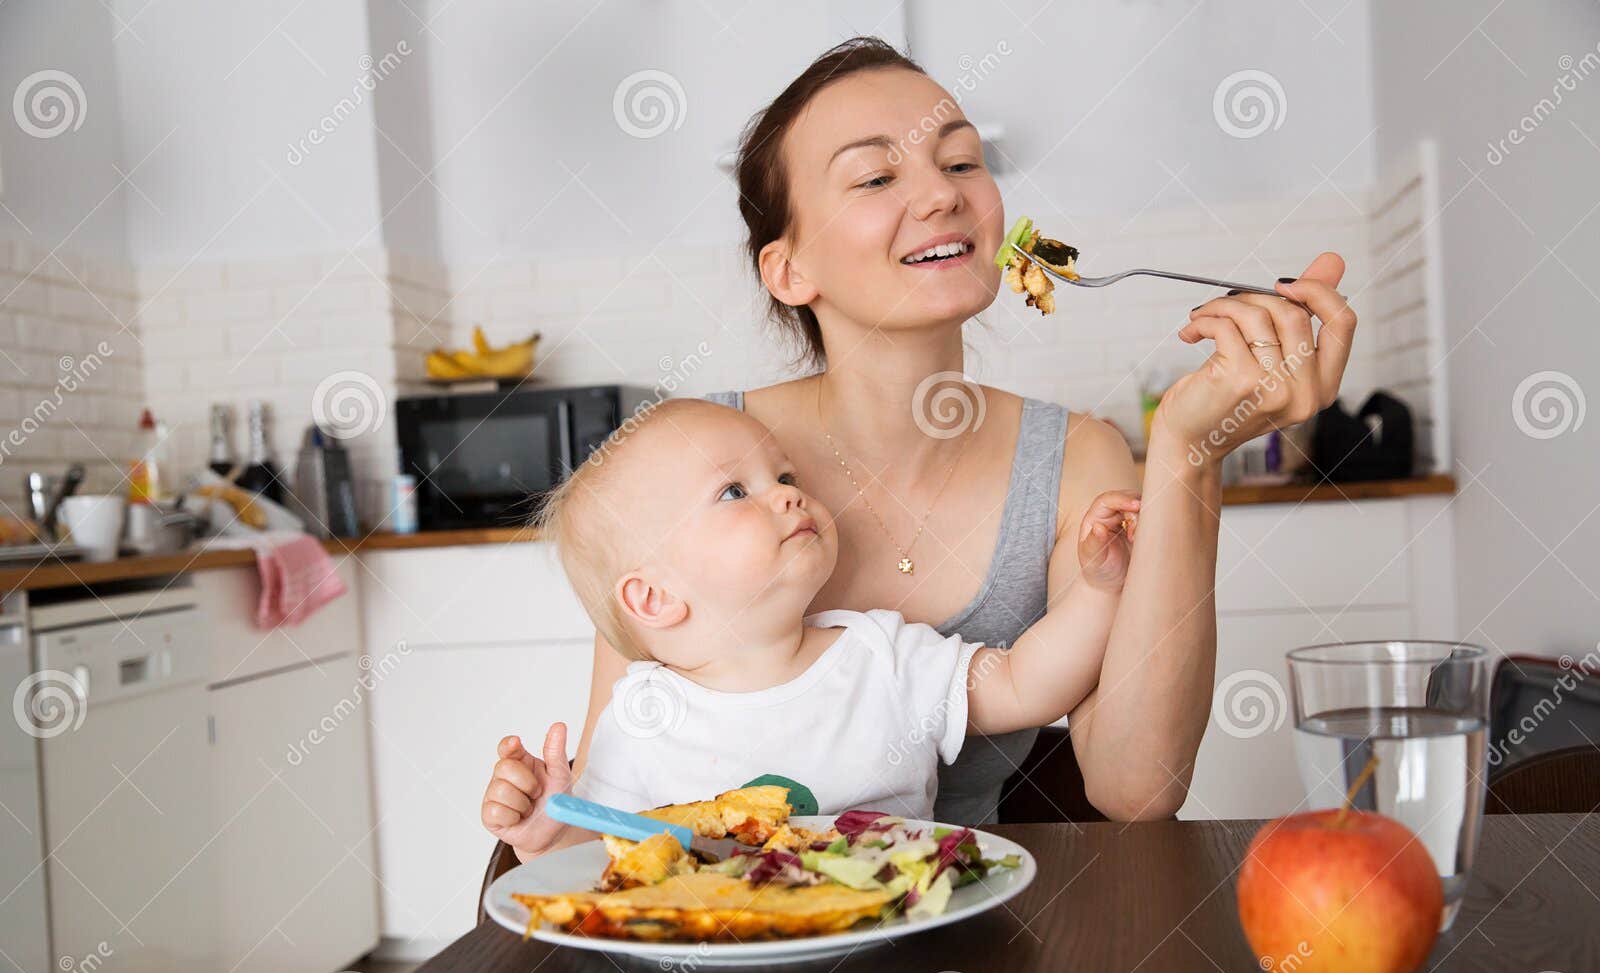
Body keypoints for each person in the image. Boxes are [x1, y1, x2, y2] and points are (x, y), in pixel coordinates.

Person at [483, 37, 1356, 840]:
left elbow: (1136, 789)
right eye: (873, 178)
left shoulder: (1078, 458)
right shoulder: (683, 459)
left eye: (962, 161)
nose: (942, 193)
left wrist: (1189, 457)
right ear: (789, 269)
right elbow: (603, 809)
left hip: (947, 930)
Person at [483, 398, 1139, 859]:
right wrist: (547, 833)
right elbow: (601, 855)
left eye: (785, 475)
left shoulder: (882, 653)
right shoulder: (641, 716)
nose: (788, 493)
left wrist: (1101, 587)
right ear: (654, 596)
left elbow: (1029, 683)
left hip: (899, 947)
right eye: (735, 491)